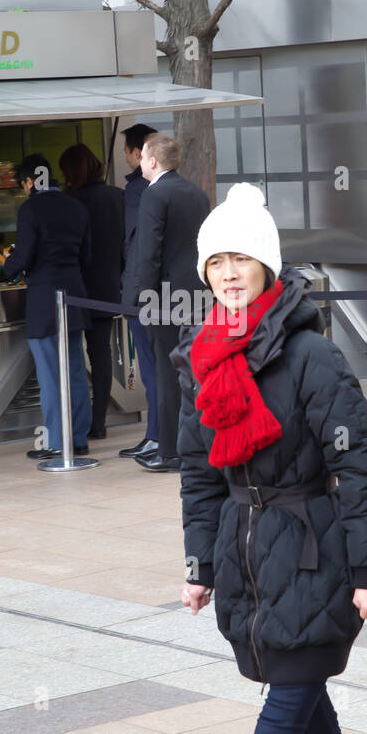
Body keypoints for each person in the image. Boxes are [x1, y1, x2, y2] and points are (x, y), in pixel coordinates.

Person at [174, 183, 367, 734]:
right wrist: (200, 565)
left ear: (267, 266)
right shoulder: (203, 360)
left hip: (312, 556)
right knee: (309, 708)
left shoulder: (310, 355)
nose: (228, 273)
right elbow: (200, 477)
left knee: (281, 720)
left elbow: (357, 463)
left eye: (241, 258)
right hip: (244, 558)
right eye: (216, 262)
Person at [121, 133, 210, 472]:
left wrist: (142, 298)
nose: (141, 162)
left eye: (143, 157)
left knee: (166, 371)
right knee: (194, 371)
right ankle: (197, 443)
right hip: (197, 294)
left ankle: (171, 451)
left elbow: (148, 253)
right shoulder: (197, 193)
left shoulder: (155, 194)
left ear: (153, 161)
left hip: (164, 299)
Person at [2, 153, 93, 459]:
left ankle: (56, 442)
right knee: (76, 370)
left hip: (44, 300)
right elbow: (87, 257)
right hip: (75, 296)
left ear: (29, 181)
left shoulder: (31, 209)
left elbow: (23, 257)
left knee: (50, 373)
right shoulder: (77, 206)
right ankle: (78, 438)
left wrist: (7, 263)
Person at [60, 143, 125, 441]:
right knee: (101, 355)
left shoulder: (69, 201)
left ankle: (76, 424)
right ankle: (98, 422)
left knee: (72, 357)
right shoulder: (118, 197)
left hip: (73, 289)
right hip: (108, 288)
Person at [118, 123, 160, 459]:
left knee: (151, 366)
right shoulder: (181, 187)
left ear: (138, 153)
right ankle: (161, 434)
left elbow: (136, 246)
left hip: (144, 293)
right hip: (171, 293)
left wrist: (132, 293)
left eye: (128, 153)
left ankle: (157, 435)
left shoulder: (138, 191)